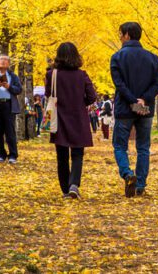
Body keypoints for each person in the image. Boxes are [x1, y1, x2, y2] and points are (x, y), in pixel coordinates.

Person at [111, 21, 158, 198]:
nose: (119, 37)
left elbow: (119, 84)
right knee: (143, 147)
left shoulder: (117, 57)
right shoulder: (153, 58)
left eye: (120, 34)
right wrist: (144, 99)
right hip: (145, 108)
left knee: (120, 145)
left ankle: (127, 174)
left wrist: (133, 100)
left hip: (124, 108)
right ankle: (140, 184)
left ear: (127, 35)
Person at [45, 42, 97, 198]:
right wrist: (81, 103)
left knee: (61, 155)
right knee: (77, 153)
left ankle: (65, 189)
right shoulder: (82, 75)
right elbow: (92, 97)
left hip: (58, 117)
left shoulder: (51, 74)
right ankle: (74, 184)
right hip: (78, 117)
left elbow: (48, 94)